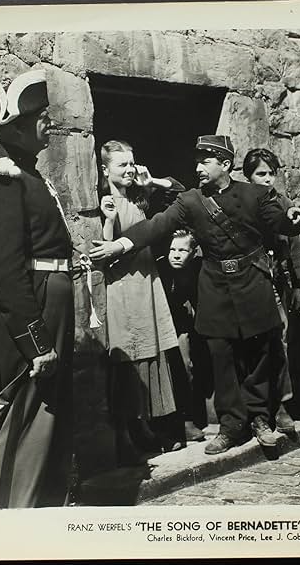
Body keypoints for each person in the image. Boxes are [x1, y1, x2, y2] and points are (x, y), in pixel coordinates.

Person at [89, 135, 300, 455]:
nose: (198, 168)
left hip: (252, 282)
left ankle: (260, 418)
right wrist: (118, 245)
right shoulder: (190, 200)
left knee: (259, 353)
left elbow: (279, 221)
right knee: (222, 357)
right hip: (216, 288)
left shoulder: (255, 194)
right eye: (197, 162)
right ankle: (232, 425)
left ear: (226, 165)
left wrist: (293, 221)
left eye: (205, 162)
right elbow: (156, 226)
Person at [0, 61, 73, 508]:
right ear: (18, 126)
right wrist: (36, 343)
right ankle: (7, 528)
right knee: (22, 423)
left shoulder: (28, 175)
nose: (49, 127)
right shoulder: (0, 180)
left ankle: (40, 518)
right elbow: (7, 272)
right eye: (42, 121)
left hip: (51, 303)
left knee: (47, 420)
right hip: (33, 309)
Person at [99, 139, 187, 464]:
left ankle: (144, 427)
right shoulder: (103, 202)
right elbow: (102, 255)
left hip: (147, 283)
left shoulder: (140, 197)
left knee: (150, 351)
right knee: (128, 358)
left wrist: (154, 183)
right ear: (104, 168)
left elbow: (181, 193)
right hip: (123, 288)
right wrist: (108, 221)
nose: (129, 169)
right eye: (122, 164)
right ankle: (125, 435)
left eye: (131, 163)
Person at [241, 148, 300, 434]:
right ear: (248, 175)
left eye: (271, 174)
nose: (267, 180)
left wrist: (295, 282)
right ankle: (257, 409)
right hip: (252, 280)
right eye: (260, 174)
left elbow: (294, 246)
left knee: (280, 342)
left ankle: (281, 405)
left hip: (277, 280)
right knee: (256, 344)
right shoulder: (242, 202)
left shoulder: (283, 202)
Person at [161, 229, 213, 441]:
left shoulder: (198, 269)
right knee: (183, 367)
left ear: (193, 252)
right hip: (174, 327)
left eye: (182, 250)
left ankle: (210, 413)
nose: (175, 254)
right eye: (172, 249)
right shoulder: (164, 272)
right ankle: (185, 419)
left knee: (203, 362)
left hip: (198, 324)